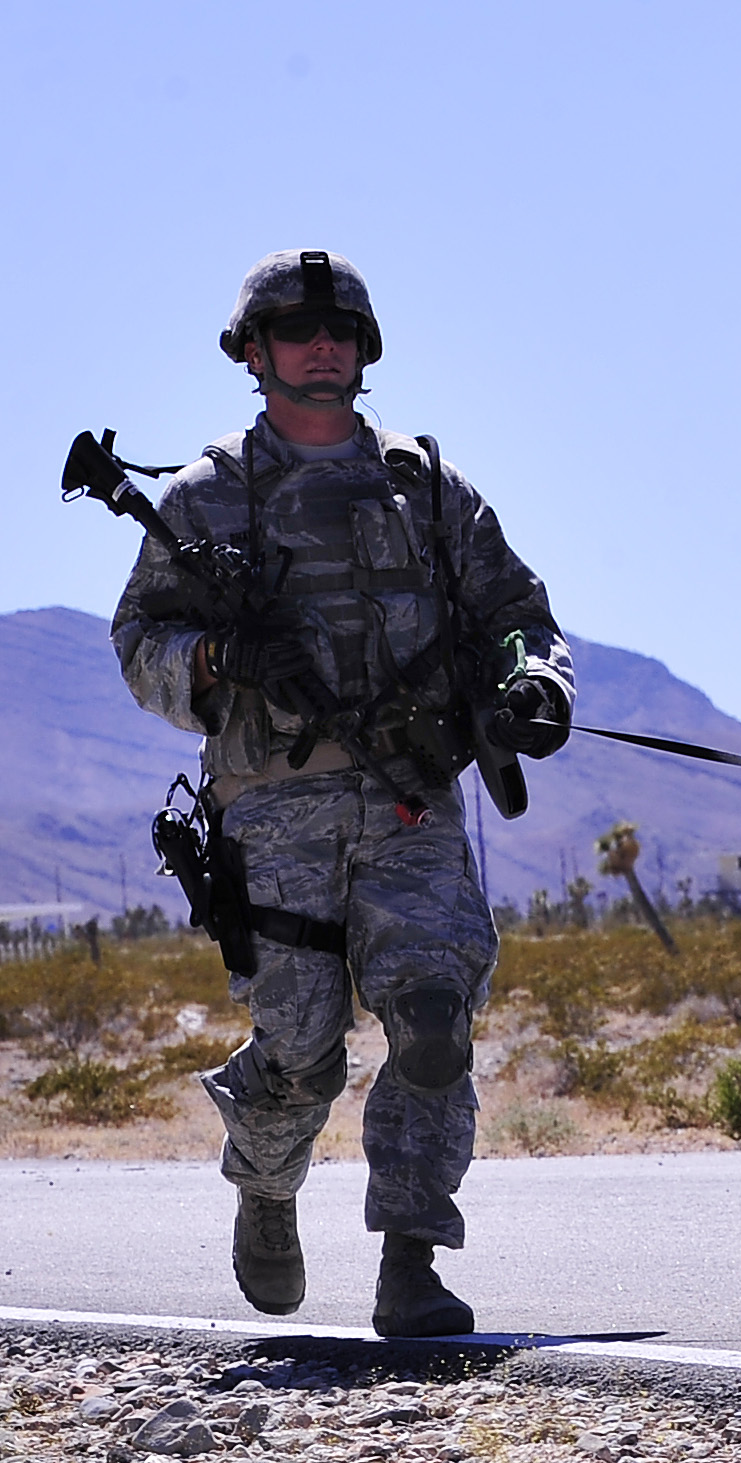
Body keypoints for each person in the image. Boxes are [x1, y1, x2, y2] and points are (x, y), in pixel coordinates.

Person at [111, 250, 573, 1337]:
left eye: (340, 329)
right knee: (304, 1053)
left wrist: (532, 680)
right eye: (297, 329)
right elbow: (141, 645)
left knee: (431, 1016)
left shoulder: (426, 488)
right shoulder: (207, 497)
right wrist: (220, 662)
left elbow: (517, 608)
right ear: (256, 353)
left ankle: (410, 1259)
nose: (323, 345)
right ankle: (266, 1183)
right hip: (273, 817)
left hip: (409, 800)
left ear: (366, 349)